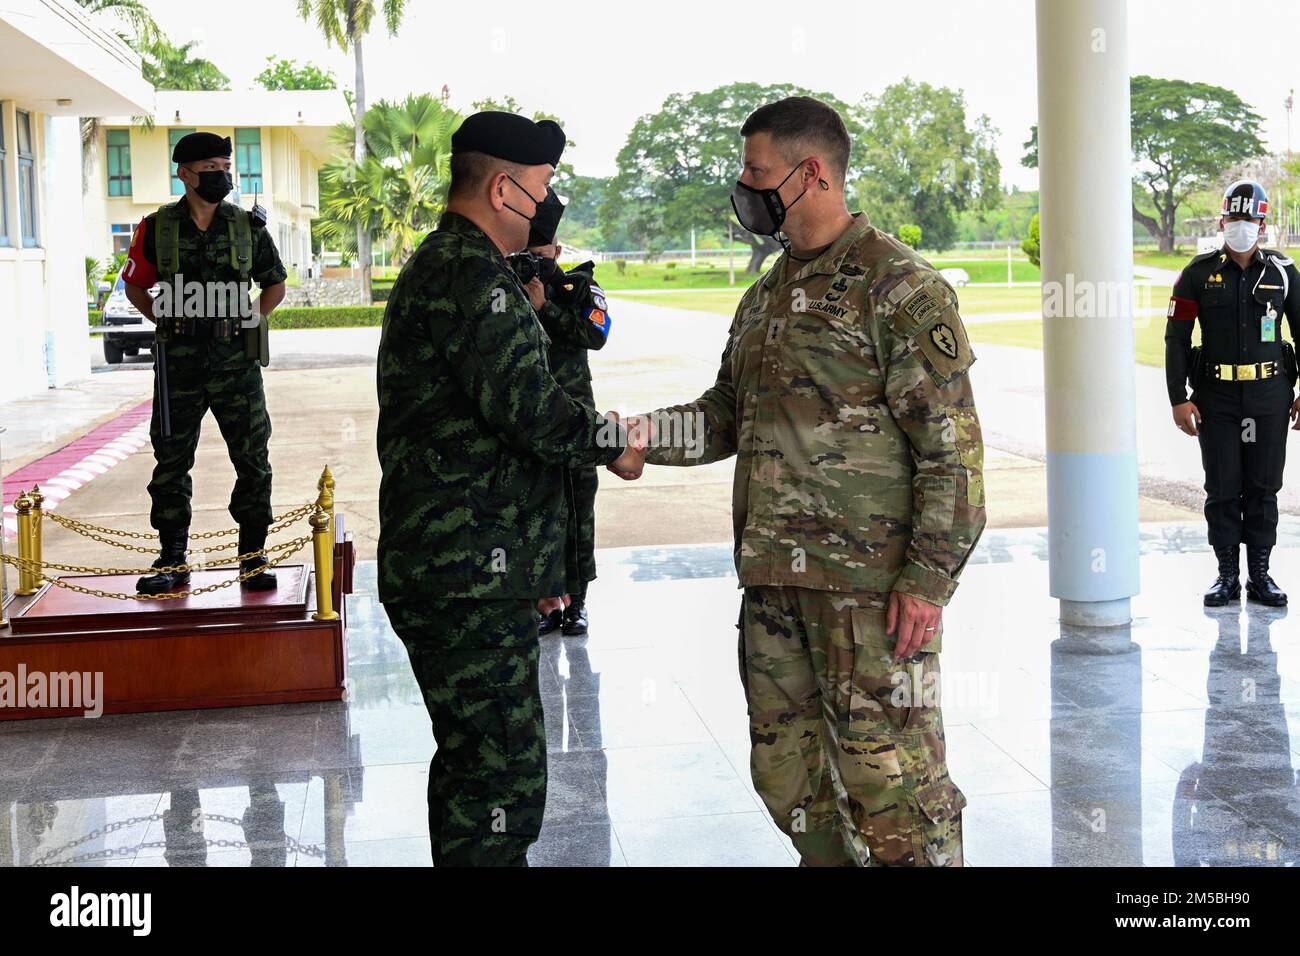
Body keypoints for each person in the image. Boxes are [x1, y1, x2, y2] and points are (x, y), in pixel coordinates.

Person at [615, 96, 986, 866]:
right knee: (788, 779)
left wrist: (927, 580)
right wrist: (646, 437)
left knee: (893, 787)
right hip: (774, 584)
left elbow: (953, 453)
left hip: (871, 595)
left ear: (810, 172)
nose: (744, 186)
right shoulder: (766, 295)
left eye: (757, 171)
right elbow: (726, 414)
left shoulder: (898, 289)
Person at [375, 111, 642, 866]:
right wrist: (615, 444)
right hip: (459, 576)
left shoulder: (468, 268)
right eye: (543, 186)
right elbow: (529, 410)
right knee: (497, 782)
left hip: (473, 568)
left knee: (484, 770)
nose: (547, 202)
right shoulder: (467, 273)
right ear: (504, 187)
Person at [121, 131, 287, 594]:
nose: (221, 176)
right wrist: (164, 319)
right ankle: (172, 558)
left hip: (237, 362)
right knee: (171, 461)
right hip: (179, 364)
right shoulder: (157, 228)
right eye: (210, 169)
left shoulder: (247, 226)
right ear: (185, 174)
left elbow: (275, 283)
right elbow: (136, 284)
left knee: (253, 460)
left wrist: (251, 318)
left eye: (224, 167)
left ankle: (253, 559)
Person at [1165, 179, 1300, 607]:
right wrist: (1177, 396)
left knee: (1263, 487)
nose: (1241, 225)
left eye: (1250, 218)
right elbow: (1177, 339)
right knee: (1222, 488)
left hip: (1270, 394)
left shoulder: (1284, 272)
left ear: (1264, 224)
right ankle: (1226, 576)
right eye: (1234, 218)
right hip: (1216, 397)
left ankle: (1260, 576)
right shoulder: (1197, 274)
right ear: (1222, 221)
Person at [511, 219, 613, 637]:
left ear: (556, 248)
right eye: (528, 252)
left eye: (542, 250)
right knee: (532, 513)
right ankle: (544, 602)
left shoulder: (581, 288)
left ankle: (578, 604)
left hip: (573, 419)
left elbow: (596, 332)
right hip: (527, 423)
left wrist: (546, 309)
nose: (536, 259)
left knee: (577, 511)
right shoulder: (509, 286)